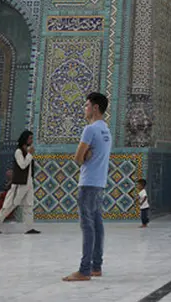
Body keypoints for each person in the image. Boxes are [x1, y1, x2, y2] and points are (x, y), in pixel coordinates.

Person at [64, 92, 112, 282]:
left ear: (95, 108)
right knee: (97, 224)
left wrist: (84, 156)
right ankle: (96, 266)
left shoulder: (90, 130)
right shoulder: (106, 130)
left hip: (88, 182)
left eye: (86, 105)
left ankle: (84, 270)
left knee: (88, 226)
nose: (85, 109)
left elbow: (77, 158)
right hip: (100, 183)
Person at [0, 130, 38, 234]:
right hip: (20, 183)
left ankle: (29, 228)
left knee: (28, 205)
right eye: (30, 138)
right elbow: (22, 165)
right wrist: (30, 155)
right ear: (25, 139)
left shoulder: (26, 151)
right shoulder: (18, 151)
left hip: (28, 183)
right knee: (11, 204)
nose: (31, 140)